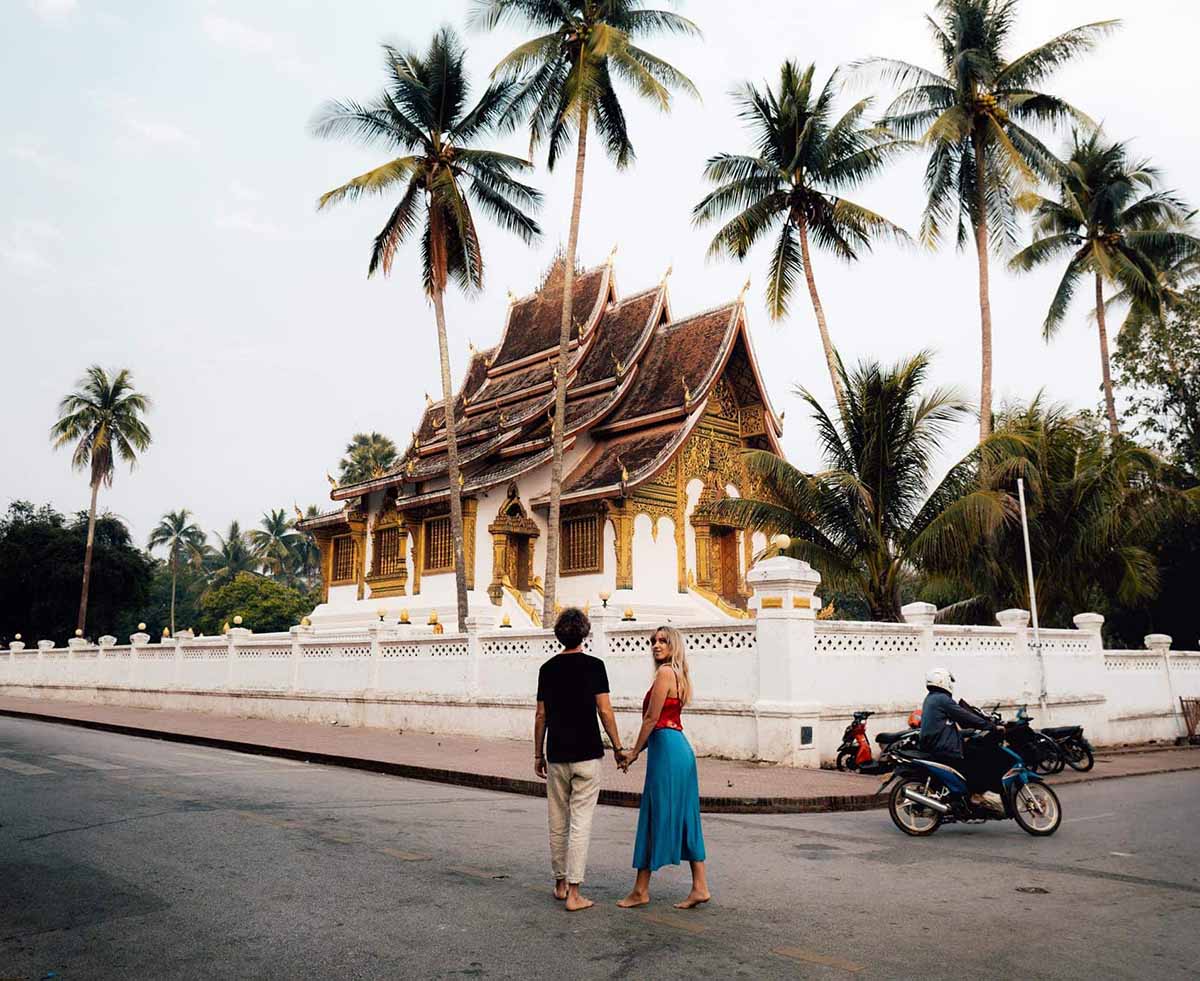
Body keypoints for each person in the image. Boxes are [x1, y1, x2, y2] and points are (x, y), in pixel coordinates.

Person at [534, 607, 625, 912]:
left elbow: (541, 715)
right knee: (580, 823)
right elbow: (605, 711)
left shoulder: (547, 669)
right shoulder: (595, 666)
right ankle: (575, 892)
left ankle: (560, 884)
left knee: (558, 821)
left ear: (559, 634)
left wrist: (538, 752)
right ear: (585, 633)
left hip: (557, 754)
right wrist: (618, 746)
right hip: (587, 754)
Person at [616, 625, 709, 910]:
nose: (656, 645)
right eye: (653, 641)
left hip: (667, 752)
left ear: (673, 646)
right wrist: (637, 752)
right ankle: (700, 886)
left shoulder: (665, 673)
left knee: (654, 814)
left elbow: (651, 719)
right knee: (685, 816)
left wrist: (631, 752)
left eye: (663, 641)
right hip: (678, 748)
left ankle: (641, 890)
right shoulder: (679, 675)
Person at [919, 667, 1005, 812]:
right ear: (942, 681)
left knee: (973, 752)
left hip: (938, 743)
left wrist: (969, 732)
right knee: (980, 758)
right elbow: (965, 716)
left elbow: (949, 725)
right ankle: (975, 795)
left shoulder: (931, 698)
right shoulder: (942, 699)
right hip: (944, 747)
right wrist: (989, 726)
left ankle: (969, 796)